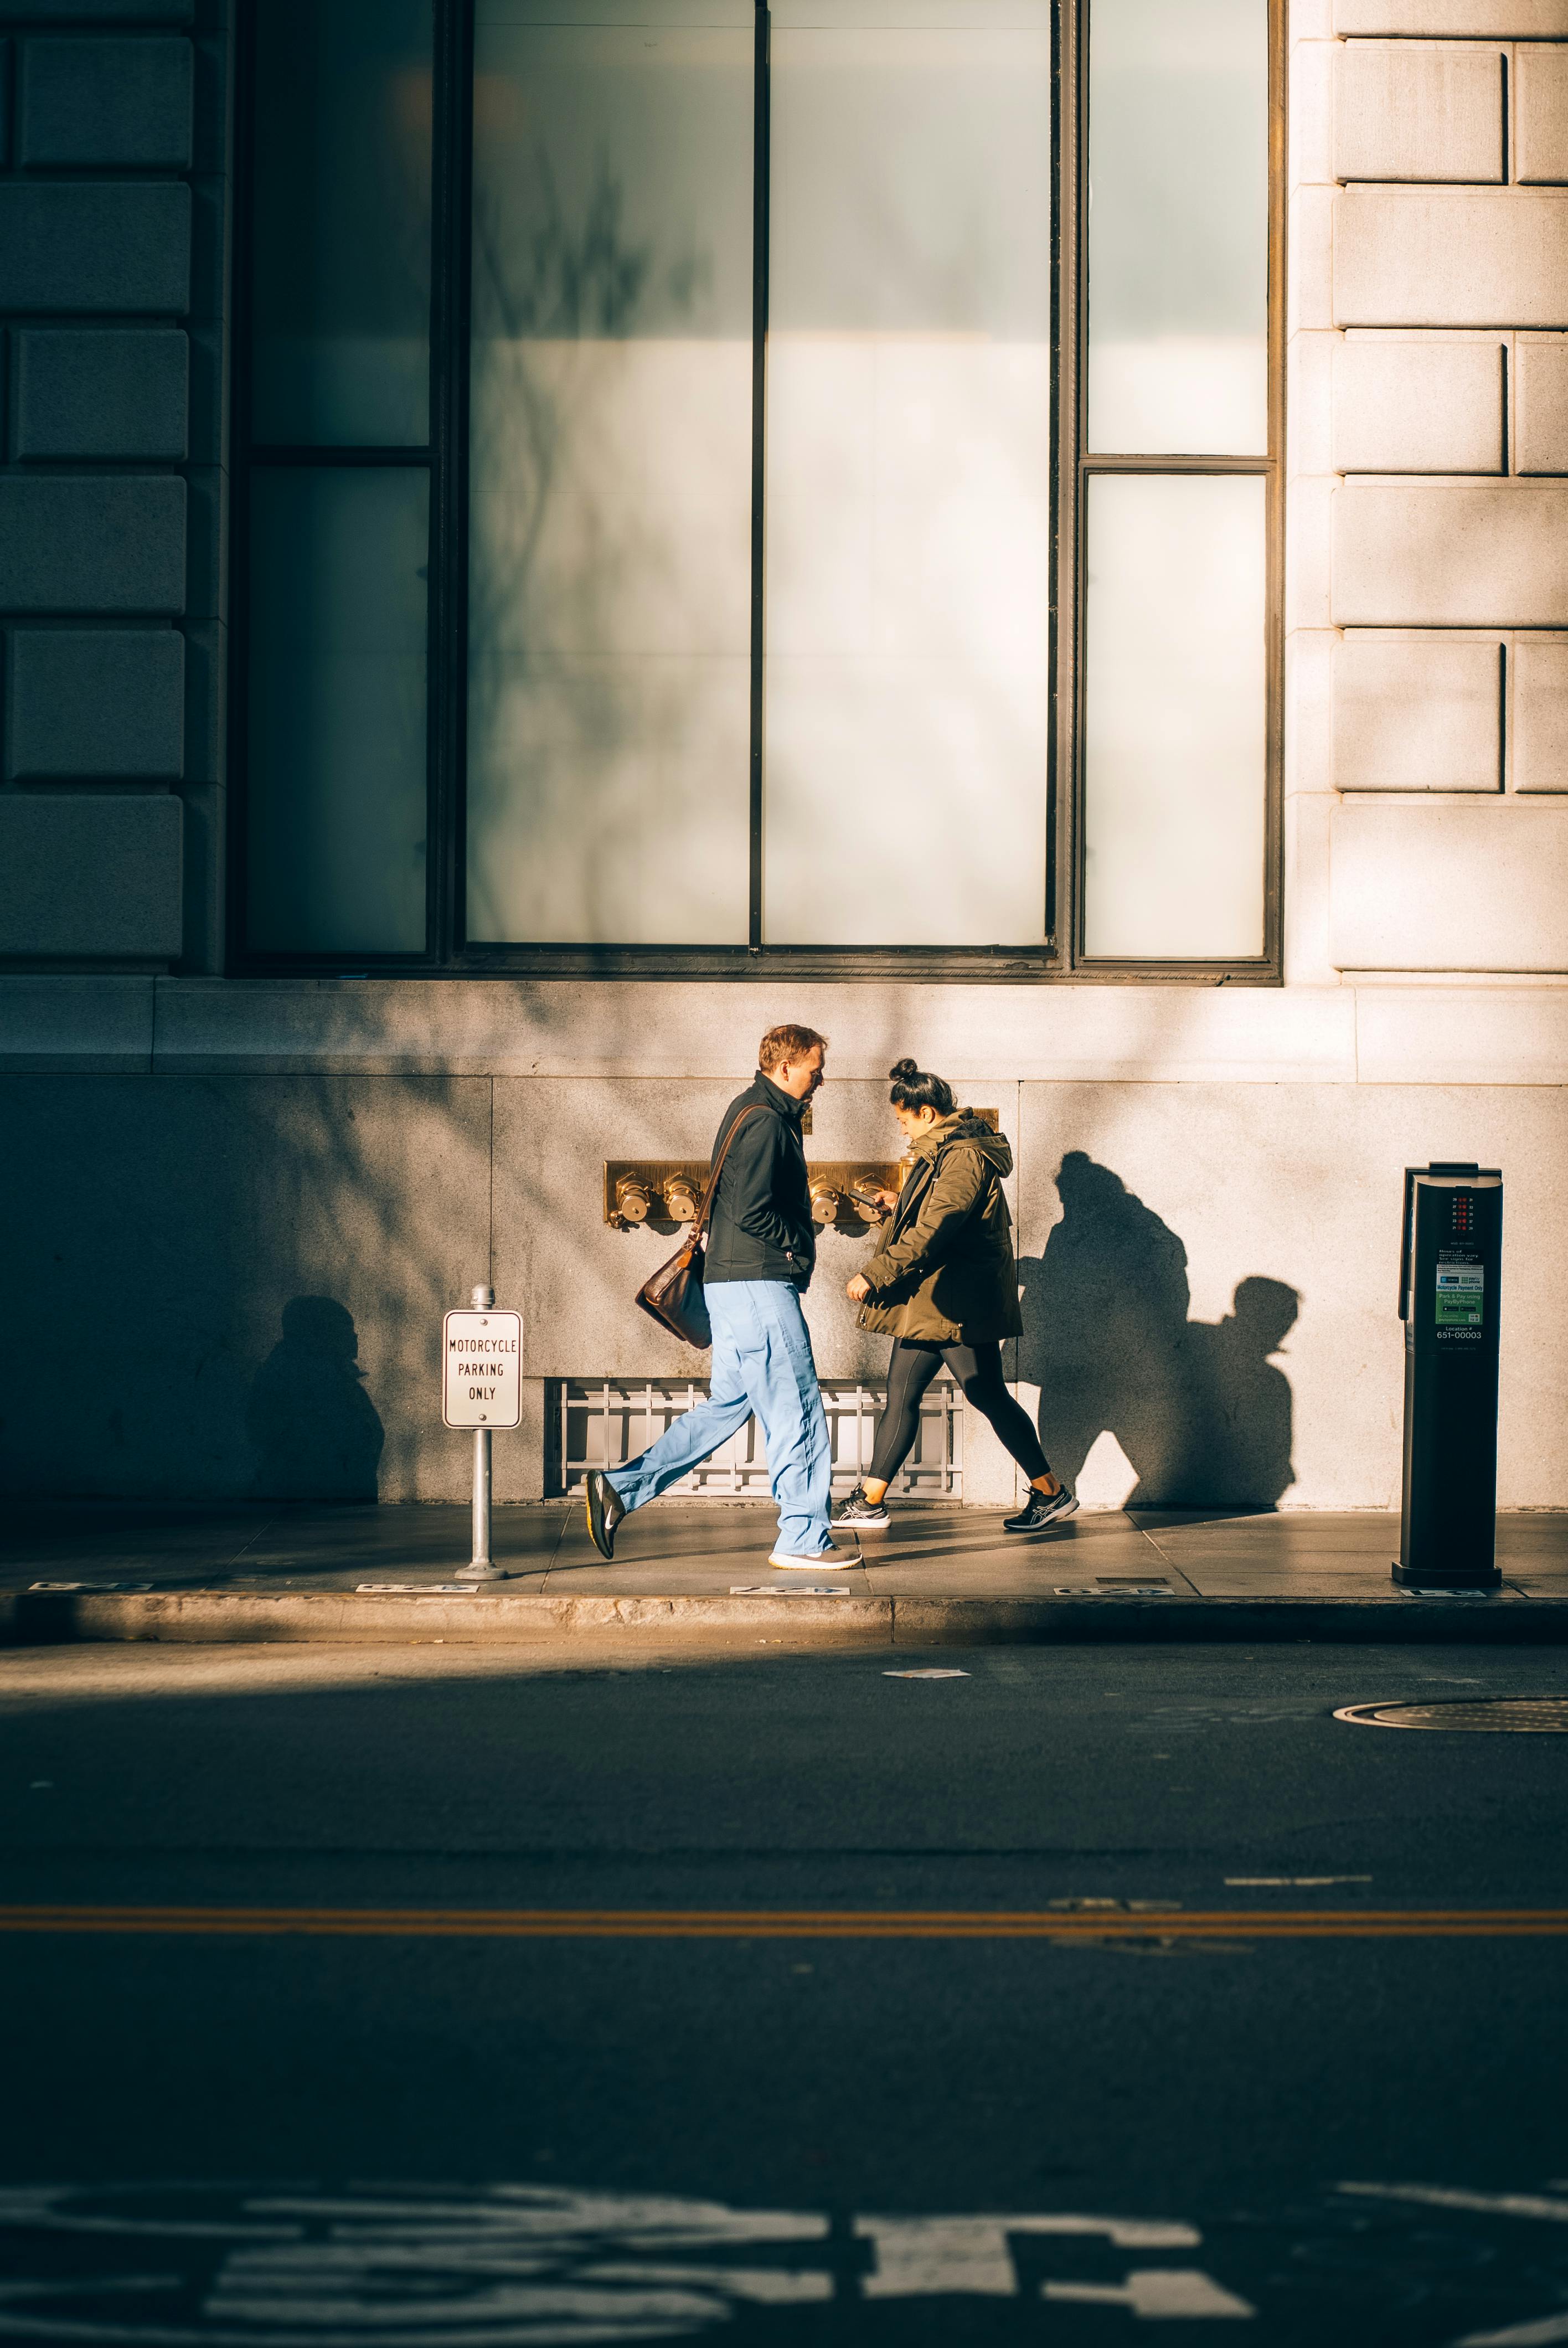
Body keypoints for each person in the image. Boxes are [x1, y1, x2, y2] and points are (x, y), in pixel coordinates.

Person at [584, 1024, 856, 1569]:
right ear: (784, 1067)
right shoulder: (766, 1123)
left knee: (726, 1409)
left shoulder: (752, 1111)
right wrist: (796, 1247)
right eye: (814, 1067)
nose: (821, 1076)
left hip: (735, 1290)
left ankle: (618, 1488)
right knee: (797, 1410)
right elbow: (753, 1211)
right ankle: (803, 1537)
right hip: (759, 1288)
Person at [834, 1059, 1076, 1535]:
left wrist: (876, 1272)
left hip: (948, 1301)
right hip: (942, 1297)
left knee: (930, 1394)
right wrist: (896, 1204)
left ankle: (871, 1501)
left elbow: (940, 1224)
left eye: (903, 1120)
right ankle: (1049, 1492)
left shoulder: (962, 1154)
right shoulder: (952, 1149)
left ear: (925, 1113)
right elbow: (939, 1213)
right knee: (969, 1393)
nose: (901, 1130)